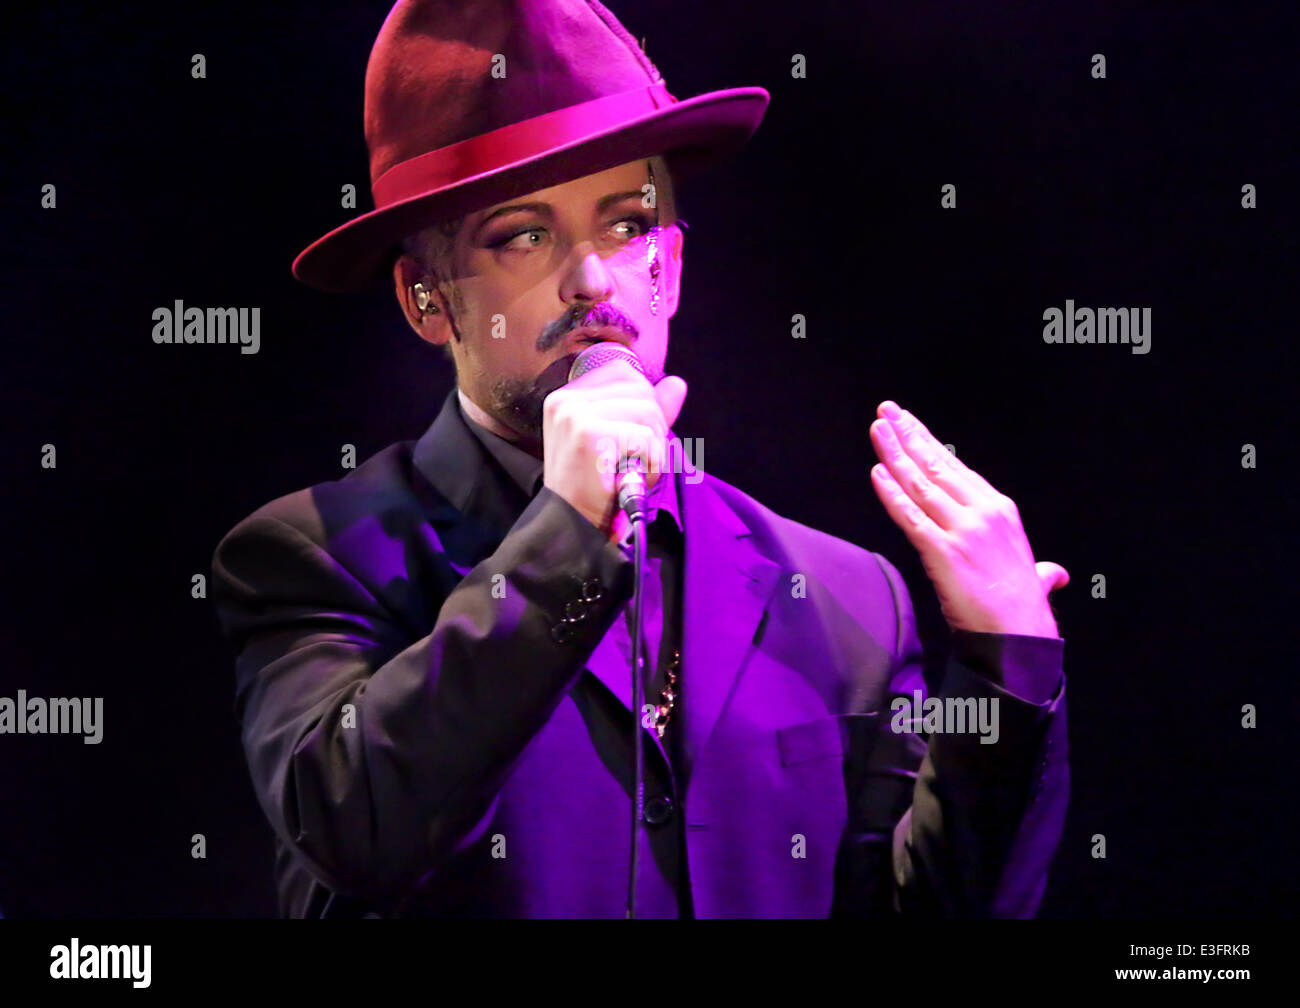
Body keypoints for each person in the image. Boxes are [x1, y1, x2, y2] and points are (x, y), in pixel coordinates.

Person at [211, 0, 1070, 918]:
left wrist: (1007, 659)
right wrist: (566, 535)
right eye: (525, 235)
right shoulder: (318, 559)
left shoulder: (841, 594)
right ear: (427, 298)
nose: (592, 279)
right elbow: (359, 836)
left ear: (675, 265)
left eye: (627, 224)